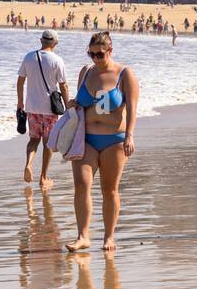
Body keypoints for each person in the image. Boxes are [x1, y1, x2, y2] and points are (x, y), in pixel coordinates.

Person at [66, 31, 139, 252]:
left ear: (110, 51)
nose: (96, 58)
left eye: (100, 54)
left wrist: (129, 135)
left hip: (114, 141)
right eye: (92, 54)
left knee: (109, 190)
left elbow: (133, 109)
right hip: (85, 138)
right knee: (81, 185)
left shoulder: (124, 74)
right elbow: (80, 102)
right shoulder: (86, 72)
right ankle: (83, 236)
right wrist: (72, 103)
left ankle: (109, 237)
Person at [16, 28, 69, 189]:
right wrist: (68, 108)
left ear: (41, 41)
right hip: (50, 109)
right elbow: (63, 85)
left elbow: (20, 81)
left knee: (33, 140)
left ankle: (28, 165)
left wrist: (20, 103)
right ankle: (43, 178)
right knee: (48, 143)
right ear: (55, 43)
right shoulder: (57, 60)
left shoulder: (29, 57)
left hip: (32, 107)